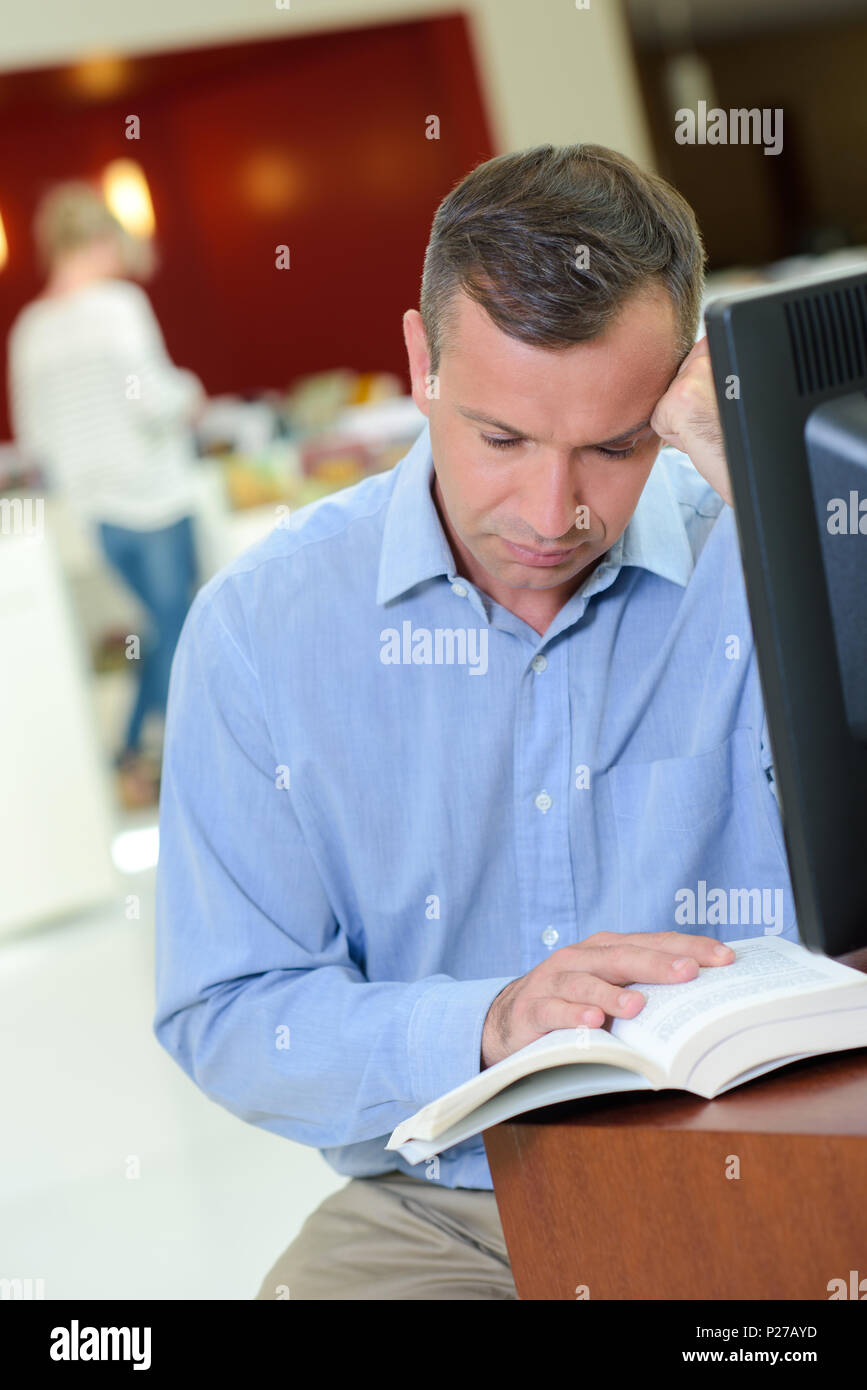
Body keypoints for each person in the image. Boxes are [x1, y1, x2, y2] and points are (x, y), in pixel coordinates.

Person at [153, 144, 798, 1299]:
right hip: (453, 1209)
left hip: (782, 1156)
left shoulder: (759, 547)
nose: (554, 514)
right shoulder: (262, 629)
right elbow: (230, 1007)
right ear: (421, 362)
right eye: (503, 439)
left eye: (614, 444)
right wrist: (489, 1021)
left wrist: (760, 472)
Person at [7, 181, 206, 807]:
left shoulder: (30, 329)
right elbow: (148, 397)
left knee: (155, 632)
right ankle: (153, 760)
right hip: (154, 497)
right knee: (182, 630)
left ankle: (135, 759)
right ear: (98, 241)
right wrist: (191, 395)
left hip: (94, 512)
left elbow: (35, 438)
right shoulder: (116, 305)